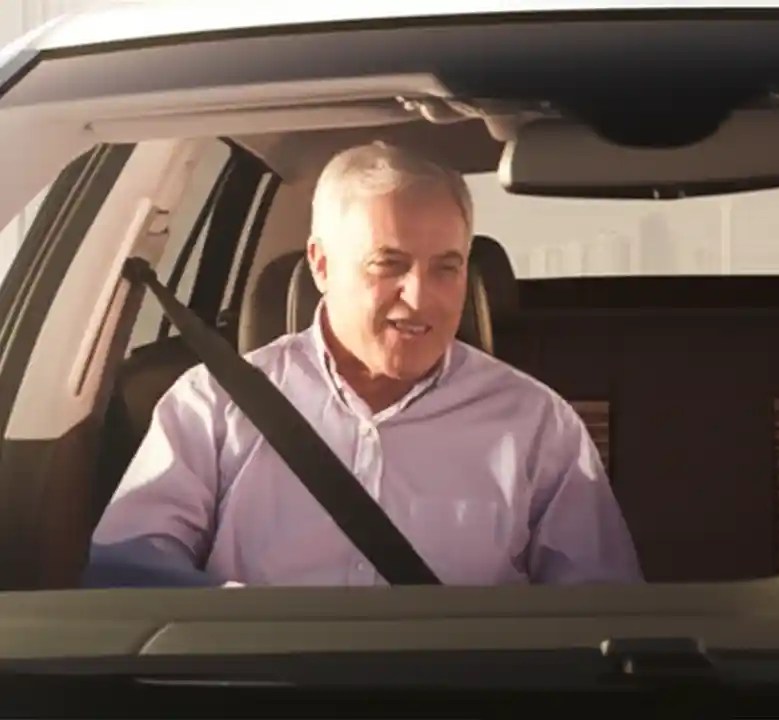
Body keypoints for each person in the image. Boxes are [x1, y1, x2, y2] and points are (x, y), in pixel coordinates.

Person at [86, 141, 643, 587]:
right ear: (322, 264)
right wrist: (239, 622)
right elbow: (126, 571)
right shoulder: (212, 404)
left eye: (446, 268)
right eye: (389, 264)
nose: (420, 297)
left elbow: (601, 613)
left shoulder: (537, 423)